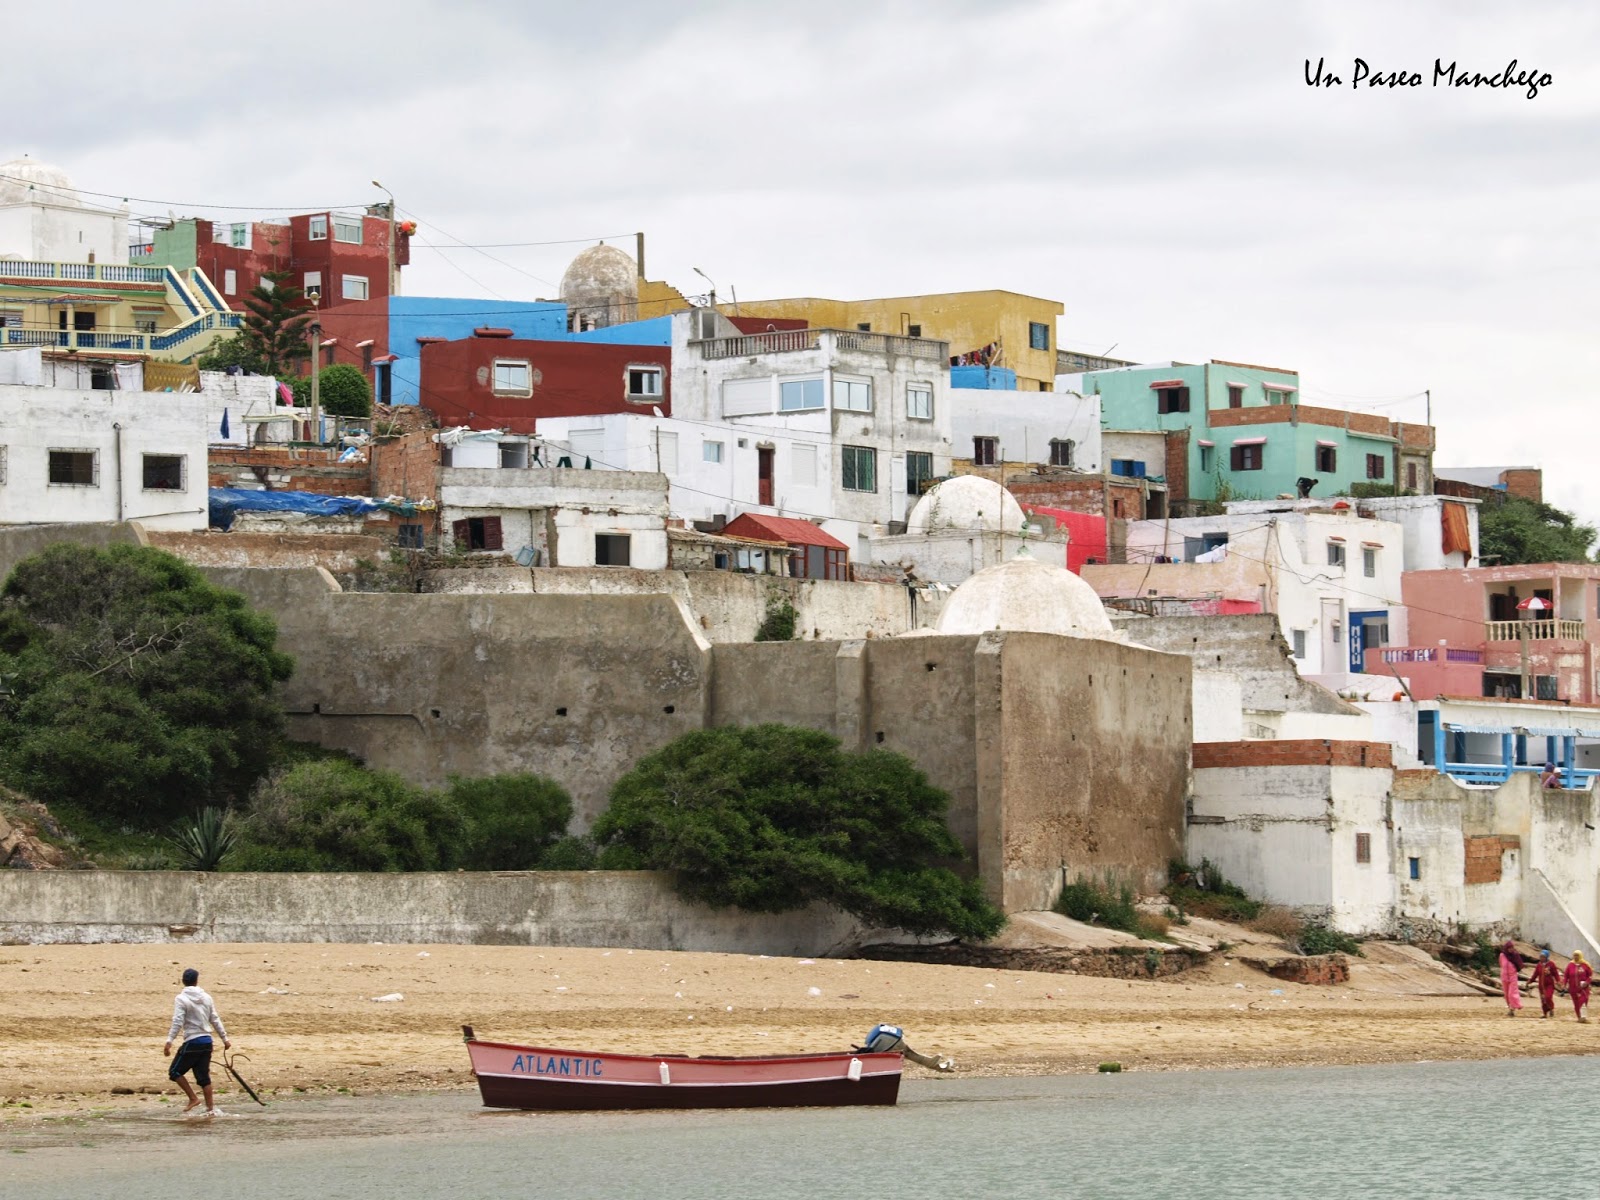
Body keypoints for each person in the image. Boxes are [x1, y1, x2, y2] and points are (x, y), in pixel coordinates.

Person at [163, 967, 231, 1116]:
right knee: (204, 1078)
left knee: (174, 1072)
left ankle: (193, 1098)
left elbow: (178, 1021)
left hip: (193, 1041)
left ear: (183, 981)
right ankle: (210, 1109)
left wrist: (169, 1041)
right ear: (196, 981)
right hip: (207, 1042)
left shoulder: (181, 999)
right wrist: (225, 1038)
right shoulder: (206, 997)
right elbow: (215, 1018)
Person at [1532, 949, 1562, 1018]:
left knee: (1548, 997)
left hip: (1549, 985)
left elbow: (1556, 974)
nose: (1542, 958)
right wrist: (1530, 981)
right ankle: (1545, 1013)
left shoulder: (1551, 964)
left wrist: (1558, 981)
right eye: (1541, 957)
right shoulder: (1539, 965)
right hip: (1541, 986)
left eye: (1543, 957)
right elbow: (1535, 974)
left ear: (1546, 957)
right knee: (1543, 1000)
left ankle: (1551, 1009)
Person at [1564, 951, 1592, 1023]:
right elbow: (1566, 976)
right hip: (1573, 987)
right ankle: (1579, 1017)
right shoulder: (1570, 965)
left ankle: (1583, 1017)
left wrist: (1587, 982)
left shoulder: (1585, 965)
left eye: (1577, 955)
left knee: (1582, 1001)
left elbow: (1590, 976)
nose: (1575, 957)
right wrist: (1564, 984)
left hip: (1583, 988)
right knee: (1576, 1003)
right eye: (1574, 955)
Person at [1499, 940, 1525, 1016]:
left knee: (1512, 993)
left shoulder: (1515, 955)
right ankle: (1511, 1008)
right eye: (1509, 948)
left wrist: (1514, 969)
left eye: (1512, 947)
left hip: (1513, 976)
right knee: (1506, 994)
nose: (1511, 949)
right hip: (1504, 977)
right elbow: (1501, 964)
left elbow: (1519, 964)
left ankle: (1515, 1007)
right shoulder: (1502, 955)